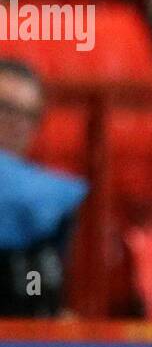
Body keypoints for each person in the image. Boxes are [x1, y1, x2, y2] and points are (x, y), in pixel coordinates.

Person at [0, 59, 88, 317]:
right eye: (5, 108)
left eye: (29, 114)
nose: (17, 124)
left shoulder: (49, 198)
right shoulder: (53, 195)